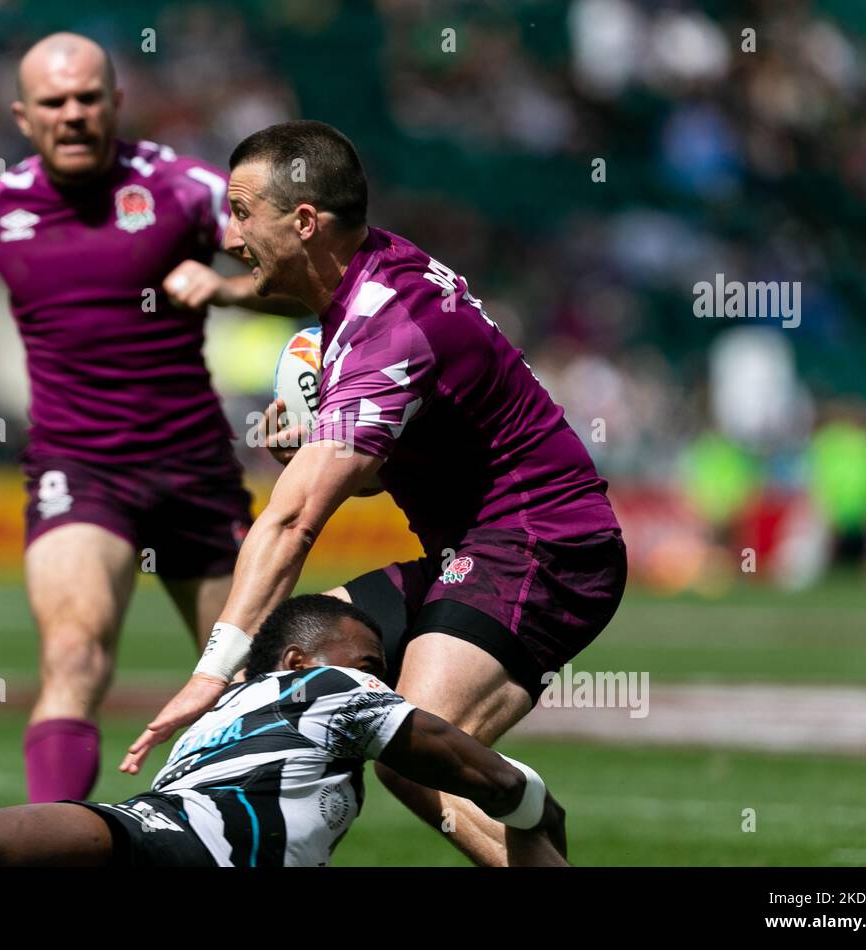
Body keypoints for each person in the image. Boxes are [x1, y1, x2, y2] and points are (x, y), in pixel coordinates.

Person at [122, 121, 627, 867]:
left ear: (302, 220)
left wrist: (208, 673)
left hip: (544, 546)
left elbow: (294, 521)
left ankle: (527, 809)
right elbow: (384, 472)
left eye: (241, 212)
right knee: (287, 670)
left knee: (405, 742)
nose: (229, 236)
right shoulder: (373, 274)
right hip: (479, 546)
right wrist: (321, 444)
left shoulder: (386, 326)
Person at [0, 34, 303, 804]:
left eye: (88, 97)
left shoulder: (187, 189)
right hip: (77, 470)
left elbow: (299, 269)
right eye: (54, 102)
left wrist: (227, 289)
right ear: (23, 117)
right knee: (73, 652)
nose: (73, 113)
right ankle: (51, 844)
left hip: (196, 470)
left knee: (253, 683)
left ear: (116, 103)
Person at [0, 596, 566, 868]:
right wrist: (534, 806)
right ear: (300, 656)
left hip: (134, 830)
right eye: (369, 657)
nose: (377, 673)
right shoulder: (331, 686)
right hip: (173, 848)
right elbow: (478, 772)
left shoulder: (223, 715)